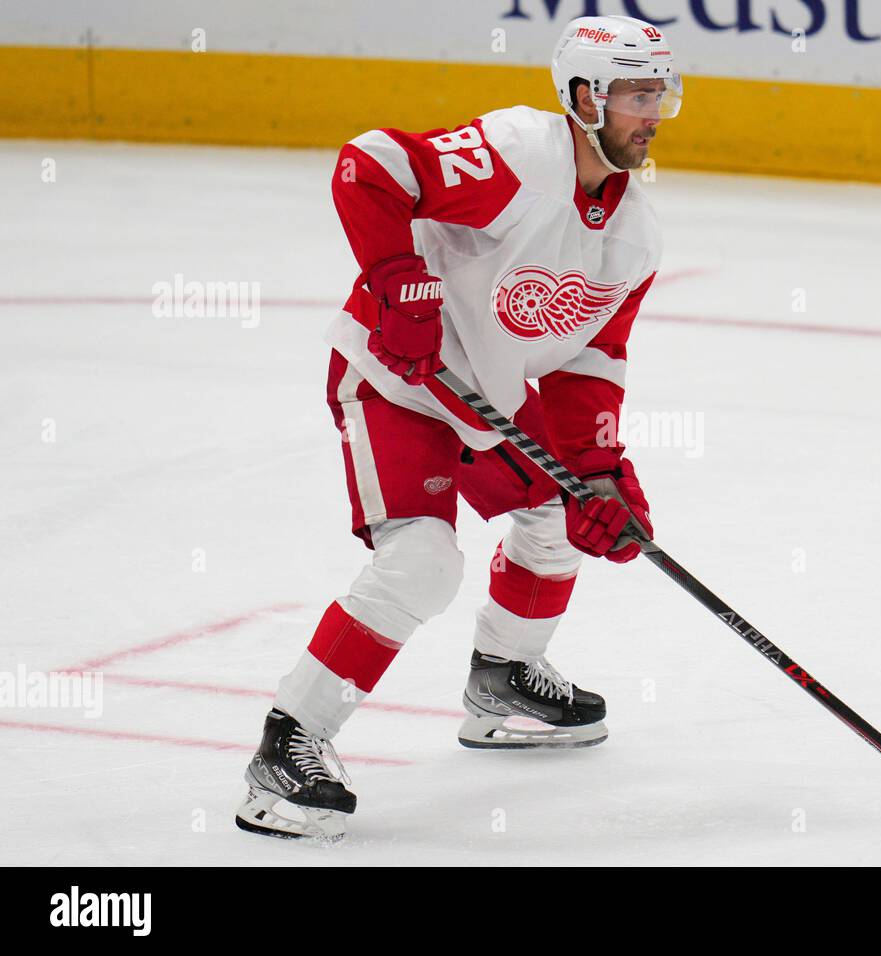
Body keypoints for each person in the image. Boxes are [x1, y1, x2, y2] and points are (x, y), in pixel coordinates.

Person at [235, 14, 683, 840]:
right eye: (633, 93)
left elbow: (590, 362)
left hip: (490, 399)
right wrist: (399, 278)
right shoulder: (521, 155)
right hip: (397, 381)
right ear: (583, 97)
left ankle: (504, 677)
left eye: (659, 92)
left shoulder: (634, 238)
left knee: (558, 519)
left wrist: (603, 474)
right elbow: (369, 164)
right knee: (424, 561)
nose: (651, 111)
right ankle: (288, 743)